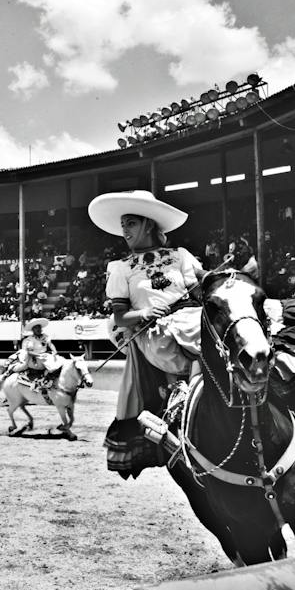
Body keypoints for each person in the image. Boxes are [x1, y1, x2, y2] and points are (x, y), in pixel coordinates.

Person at [88, 190, 203, 479]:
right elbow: (119, 316)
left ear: (149, 224)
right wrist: (144, 314)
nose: (124, 230)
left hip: (191, 319)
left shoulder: (181, 256)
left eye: (131, 224)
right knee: (197, 332)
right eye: (123, 224)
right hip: (156, 333)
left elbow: (201, 292)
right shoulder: (121, 268)